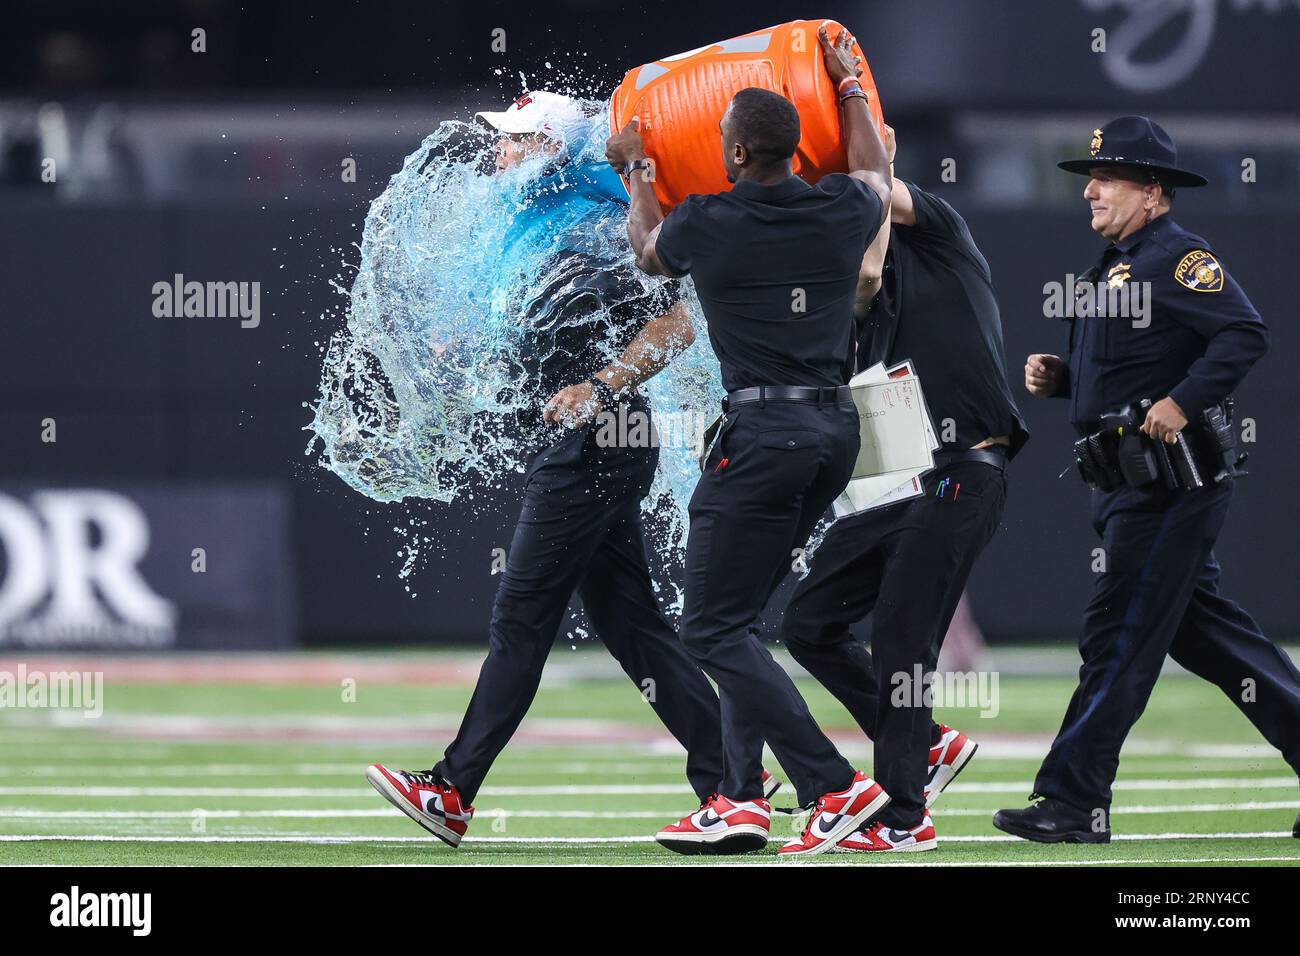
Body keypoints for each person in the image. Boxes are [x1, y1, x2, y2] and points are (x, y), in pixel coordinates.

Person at [365, 90, 779, 848]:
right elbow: (550, 329)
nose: (499, 154)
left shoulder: (595, 226)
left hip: (597, 444)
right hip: (598, 445)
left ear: (549, 148)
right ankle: (731, 780)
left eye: (516, 142)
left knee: (521, 619)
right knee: (635, 630)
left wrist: (602, 386)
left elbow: (683, 319)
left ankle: (453, 790)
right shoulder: (551, 222)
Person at [606, 25, 895, 858]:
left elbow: (650, 253)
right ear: (801, 146)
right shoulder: (842, 205)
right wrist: (848, 89)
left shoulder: (710, 220)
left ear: (730, 151)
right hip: (832, 432)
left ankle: (833, 787)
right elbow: (874, 169)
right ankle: (738, 799)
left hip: (761, 435)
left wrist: (637, 167)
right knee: (737, 622)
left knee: (708, 629)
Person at [996, 115, 1300, 843]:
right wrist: (1067, 381)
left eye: (1106, 179)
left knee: (1118, 636)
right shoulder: (1119, 262)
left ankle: (1073, 801)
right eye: (1089, 180)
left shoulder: (1177, 255)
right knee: (1208, 637)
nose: (1090, 191)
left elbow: (1244, 332)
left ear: (1153, 193)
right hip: (1130, 484)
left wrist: (1182, 402)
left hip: (1170, 487)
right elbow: (1132, 369)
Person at [772, 124, 1029, 853]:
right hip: (897, 482)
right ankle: (932, 744)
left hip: (961, 472)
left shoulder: (944, 233)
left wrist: (859, 116)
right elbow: (859, 279)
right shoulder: (857, 279)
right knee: (810, 622)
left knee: (901, 639)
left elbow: (876, 194)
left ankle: (904, 816)